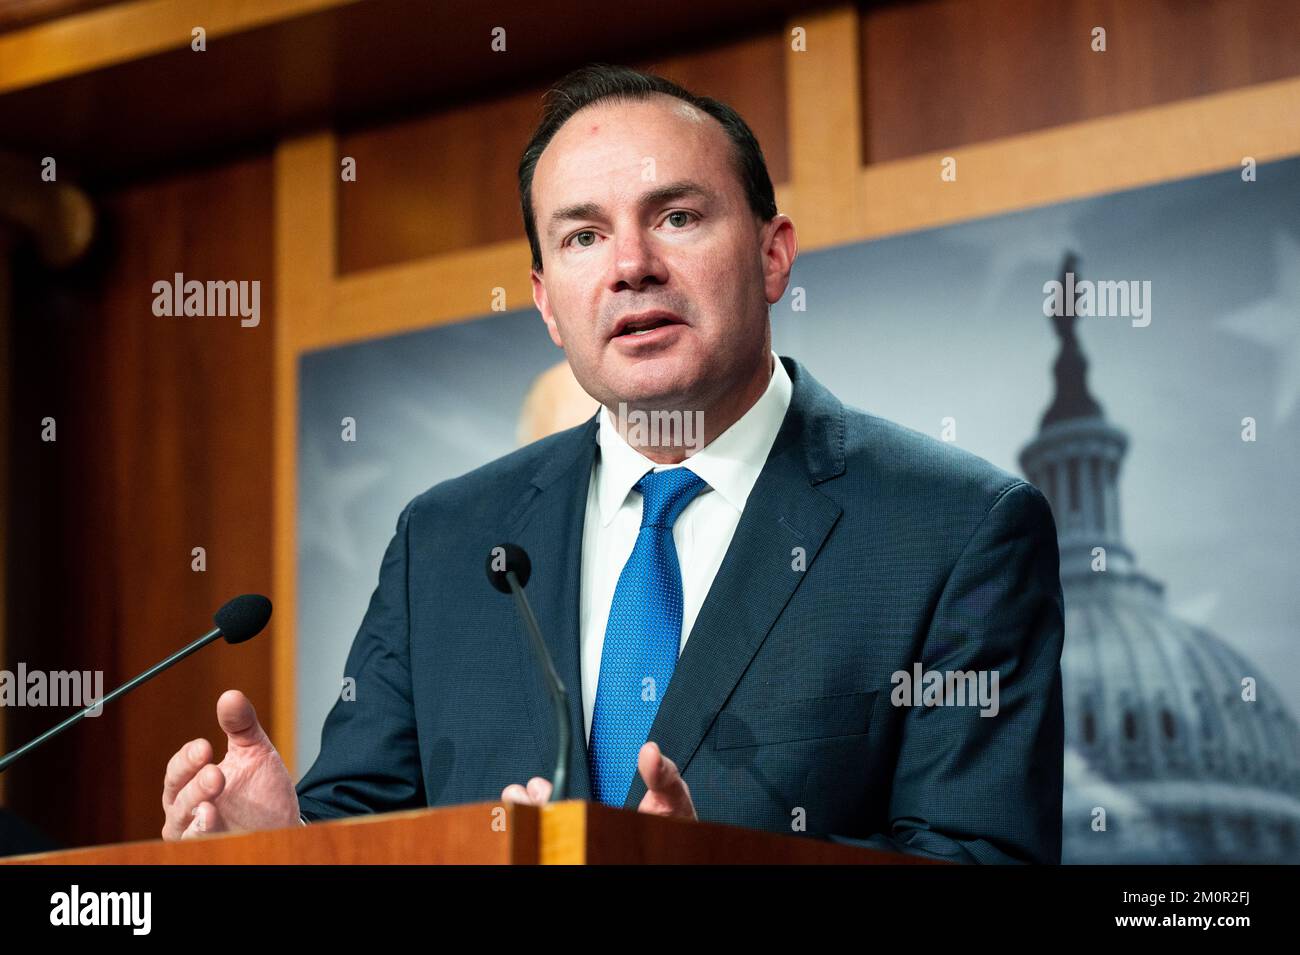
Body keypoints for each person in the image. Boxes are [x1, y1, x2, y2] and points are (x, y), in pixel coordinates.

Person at [160, 64, 1065, 863]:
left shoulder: (954, 531)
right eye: (583, 236)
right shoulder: (442, 540)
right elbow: (368, 823)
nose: (631, 265)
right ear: (549, 306)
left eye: (677, 215)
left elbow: (982, 857)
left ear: (772, 253)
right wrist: (283, 855)